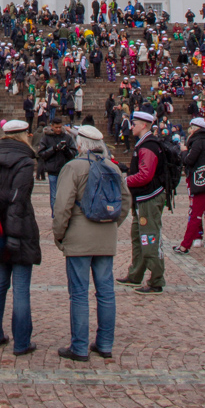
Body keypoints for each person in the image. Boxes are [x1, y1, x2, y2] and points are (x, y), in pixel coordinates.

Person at [53, 125, 130, 360]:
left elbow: (62, 206)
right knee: (106, 292)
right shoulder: (113, 167)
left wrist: (59, 234)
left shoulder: (73, 167)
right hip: (105, 238)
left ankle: (79, 346)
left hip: (78, 238)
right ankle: (105, 344)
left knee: (78, 294)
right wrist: (111, 225)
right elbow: (126, 202)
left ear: (80, 145)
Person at [0, 119, 40, 356]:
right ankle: (21, 342)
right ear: (23, 134)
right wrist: (15, 235)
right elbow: (18, 200)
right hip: (19, 229)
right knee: (21, 288)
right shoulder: (25, 162)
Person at [117, 110, 167, 295]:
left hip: (149, 197)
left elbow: (145, 175)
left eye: (134, 124)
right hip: (143, 198)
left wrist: (125, 181)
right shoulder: (143, 144)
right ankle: (135, 274)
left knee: (149, 237)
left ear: (143, 125)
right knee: (138, 236)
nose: (131, 127)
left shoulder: (148, 146)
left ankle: (156, 279)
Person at [172, 118, 205, 254]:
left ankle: (185, 245)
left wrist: (183, 151)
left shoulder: (198, 142)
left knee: (195, 214)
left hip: (200, 181)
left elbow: (189, 160)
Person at [37, 117, 76, 215]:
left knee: (65, 194)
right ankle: (55, 215)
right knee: (54, 195)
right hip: (52, 170)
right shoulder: (46, 138)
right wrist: (54, 149)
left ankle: (63, 214)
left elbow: (73, 154)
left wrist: (66, 149)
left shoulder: (67, 137)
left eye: (60, 127)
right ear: (52, 126)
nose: (58, 129)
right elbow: (42, 154)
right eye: (56, 127)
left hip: (65, 170)